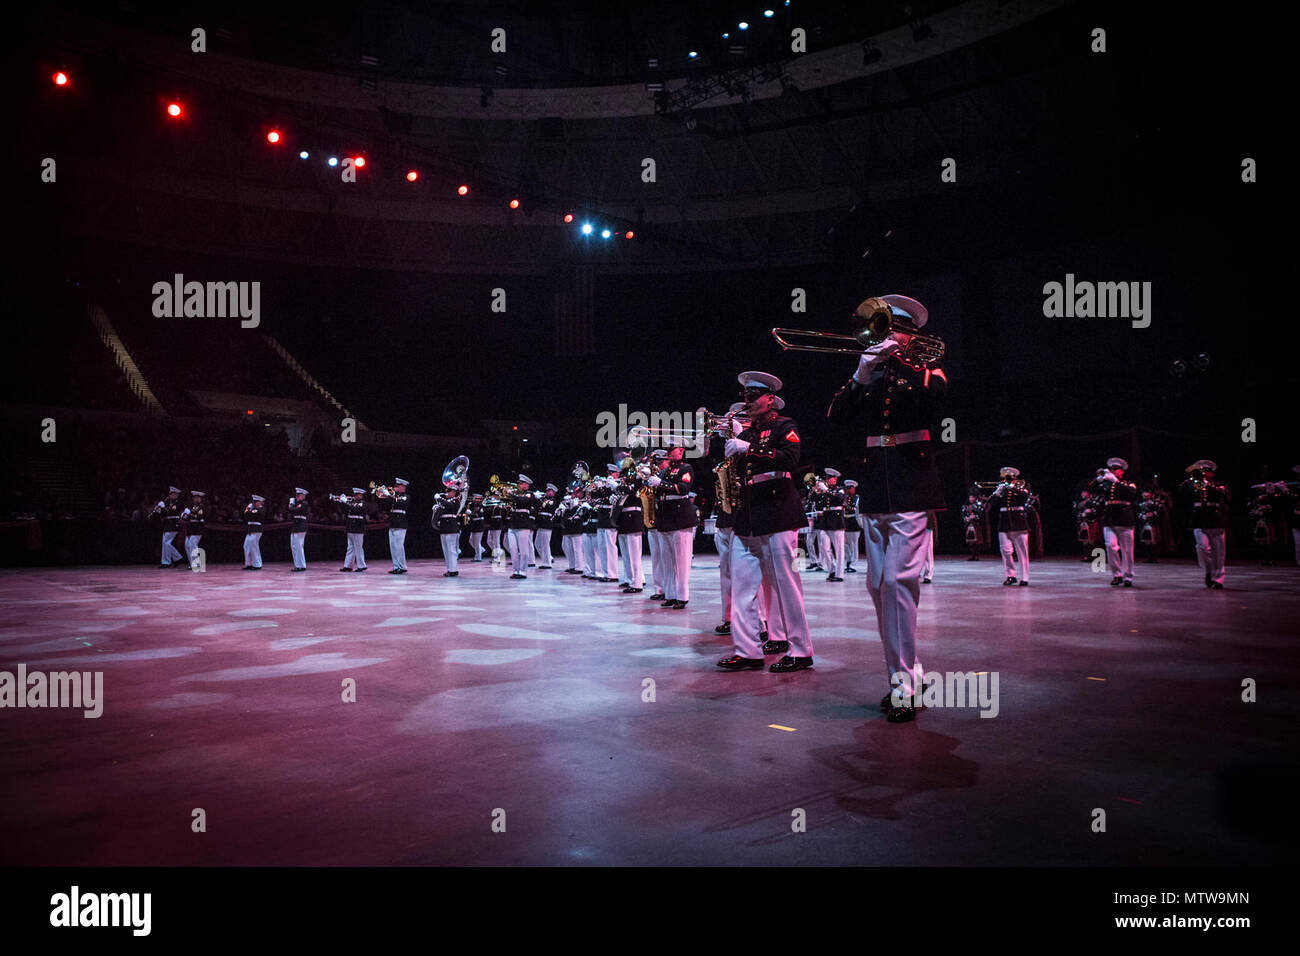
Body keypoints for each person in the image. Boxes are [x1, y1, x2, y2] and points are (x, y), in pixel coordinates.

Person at [826, 294, 947, 722]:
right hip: (877, 484)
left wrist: (903, 363)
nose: (885, 334)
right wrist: (861, 373)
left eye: (893, 327)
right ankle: (907, 673)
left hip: (912, 483)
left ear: (910, 334)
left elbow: (934, 405)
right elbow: (836, 416)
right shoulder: (871, 373)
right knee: (878, 586)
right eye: (883, 326)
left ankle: (904, 689)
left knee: (897, 584)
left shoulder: (927, 370)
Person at [716, 372, 814, 672]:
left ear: (770, 398)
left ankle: (801, 650)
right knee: (743, 586)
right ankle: (747, 651)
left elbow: (790, 459)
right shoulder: (744, 434)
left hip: (777, 507)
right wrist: (730, 440)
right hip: (748, 513)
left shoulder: (784, 426)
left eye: (753, 396)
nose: (748, 401)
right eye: (745, 396)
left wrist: (750, 448)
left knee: (787, 584)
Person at [646, 441, 697, 608]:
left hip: (679, 515)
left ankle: (682, 596)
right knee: (667, 560)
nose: (668, 452)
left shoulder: (685, 468)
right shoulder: (665, 471)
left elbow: (683, 488)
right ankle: (670, 594)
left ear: (681, 451)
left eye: (671, 449)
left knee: (681, 560)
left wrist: (660, 483)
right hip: (664, 516)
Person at [1178, 459, 1230, 588]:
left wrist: (1204, 483)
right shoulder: (1195, 484)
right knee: (1202, 548)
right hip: (1199, 519)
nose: (1205, 474)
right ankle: (1209, 570)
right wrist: (1192, 480)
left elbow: (1221, 494)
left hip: (1216, 519)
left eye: (1207, 472)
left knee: (1219, 551)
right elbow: (1183, 493)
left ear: (1212, 474)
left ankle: (1218, 579)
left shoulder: (1219, 485)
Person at [1089, 458, 1139, 587]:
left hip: (1124, 518)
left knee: (1127, 550)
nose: (1112, 472)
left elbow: (1132, 494)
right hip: (1109, 519)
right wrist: (1099, 479)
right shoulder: (1106, 484)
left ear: (1121, 471)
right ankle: (1117, 574)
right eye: (1111, 470)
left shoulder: (1129, 483)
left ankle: (1128, 576)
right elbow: (1091, 489)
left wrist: (1115, 481)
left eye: (1115, 469)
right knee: (1110, 546)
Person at [988, 468, 1031, 586]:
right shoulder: (1002, 490)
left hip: (1018, 520)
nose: (1006, 480)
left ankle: (1025, 577)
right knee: (1005, 550)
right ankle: (1011, 575)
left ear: (1015, 479)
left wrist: (1013, 488)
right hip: (1004, 522)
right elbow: (991, 503)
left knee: (1022, 552)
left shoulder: (1021, 487)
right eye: (1005, 478)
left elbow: (1025, 497)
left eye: (1009, 478)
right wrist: (997, 493)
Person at [506, 475, 539, 579]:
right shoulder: (517, 494)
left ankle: (523, 571)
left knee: (524, 549)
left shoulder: (530, 494)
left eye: (521, 483)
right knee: (513, 549)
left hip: (524, 523)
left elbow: (523, 501)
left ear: (527, 485)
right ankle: (516, 570)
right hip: (513, 523)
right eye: (519, 483)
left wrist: (510, 494)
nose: (519, 485)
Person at [818, 469, 847, 582]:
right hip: (825, 519)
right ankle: (832, 570)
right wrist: (815, 490)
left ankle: (839, 574)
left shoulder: (840, 489)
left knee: (839, 549)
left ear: (835, 479)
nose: (829, 480)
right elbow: (814, 500)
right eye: (827, 478)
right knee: (825, 547)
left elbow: (838, 498)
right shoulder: (824, 491)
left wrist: (825, 490)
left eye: (831, 478)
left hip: (836, 519)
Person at [432, 488, 464, 576]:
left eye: (448, 491)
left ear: (454, 492)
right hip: (444, 528)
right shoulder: (445, 501)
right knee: (446, 551)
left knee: (451, 550)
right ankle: (450, 569)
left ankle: (454, 570)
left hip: (451, 528)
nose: (446, 493)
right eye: (446, 491)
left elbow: (449, 505)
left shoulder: (455, 500)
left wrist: (439, 498)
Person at [385, 479, 411, 574]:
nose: (395, 487)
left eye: (397, 486)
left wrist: (388, 495)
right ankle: (397, 566)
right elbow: (387, 502)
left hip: (401, 524)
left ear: (403, 487)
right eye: (395, 486)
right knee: (393, 546)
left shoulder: (406, 497)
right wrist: (384, 493)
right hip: (392, 524)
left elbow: (398, 503)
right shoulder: (394, 497)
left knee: (399, 546)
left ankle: (401, 566)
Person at [156, 486, 184, 567]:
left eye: (173, 494)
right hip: (167, 524)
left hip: (173, 524)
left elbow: (170, 512)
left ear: (176, 495)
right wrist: (159, 509)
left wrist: (163, 508)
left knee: (166, 543)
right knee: (165, 543)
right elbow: (163, 514)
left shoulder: (177, 503)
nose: (170, 495)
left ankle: (168, 562)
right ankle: (175, 559)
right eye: (170, 493)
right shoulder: (169, 502)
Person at [341, 488, 368, 572]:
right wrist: (342, 502)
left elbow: (355, 509)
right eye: (355, 494)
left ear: (361, 495)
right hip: (350, 527)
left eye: (357, 495)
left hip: (358, 527)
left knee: (358, 548)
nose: (355, 496)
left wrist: (346, 502)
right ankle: (348, 565)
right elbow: (345, 511)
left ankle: (361, 565)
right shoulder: (352, 503)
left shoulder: (362, 503)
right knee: (350, 547)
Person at [534, 484, 558, 569]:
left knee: (545, 544)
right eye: (546, 491)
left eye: (549, 491)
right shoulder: (544, 499)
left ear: (553, 492)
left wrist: (540, 499)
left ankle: (547, 563)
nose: (547, 492)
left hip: (547, 523)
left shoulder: (553, 501)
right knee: (537, 544)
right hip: (540, 523)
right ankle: (549, 558)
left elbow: (548, 507)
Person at [182, 491, 205, 569]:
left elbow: (199, 517)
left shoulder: (201, 507)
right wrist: (184, 515)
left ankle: (196, 564)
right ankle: (194, 562)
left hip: (197, 527)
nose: (195, 499)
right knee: (187, 545)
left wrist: (190, 514)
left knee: (193, 544)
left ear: (200, 499)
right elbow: (187, 518)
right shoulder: (192, 507)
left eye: (197, 498)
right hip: (191, 528)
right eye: (194, 497)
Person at [843, 479, 862, 571]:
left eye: (849, 488)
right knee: (846, 544)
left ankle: (853, 563)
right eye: (847, 488)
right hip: (845, 521)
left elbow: (855, 510)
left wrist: (847, 506)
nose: (848, 490)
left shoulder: (857, 498)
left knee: (854, 544)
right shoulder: (845, 497)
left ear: (853, 488)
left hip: (854, 521)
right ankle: (848, 561)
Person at [289, 488, 309, 571]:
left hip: (301, 525)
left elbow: (293, 510)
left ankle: (302, 565)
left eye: (298, 495)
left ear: (303, 496)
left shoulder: (304, 503)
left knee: (299, 546)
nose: (296, 497)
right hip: (296, 525)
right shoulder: (297, 504)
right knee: (293, 546)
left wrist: (291, 504)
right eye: (296, 495)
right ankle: (297, 565)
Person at [243, 494, 266, 570]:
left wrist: (249, 510)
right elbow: (246, 513)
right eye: (254, 502)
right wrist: (249, 509)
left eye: (256, 502)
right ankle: (249, 564)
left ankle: (257, 564)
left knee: (254, 546)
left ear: (260, 502)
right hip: (250, 529)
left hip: (256, 529)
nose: (254, 503)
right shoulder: (252, 508)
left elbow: (250, 513)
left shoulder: (261, 509)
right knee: (246, 546)